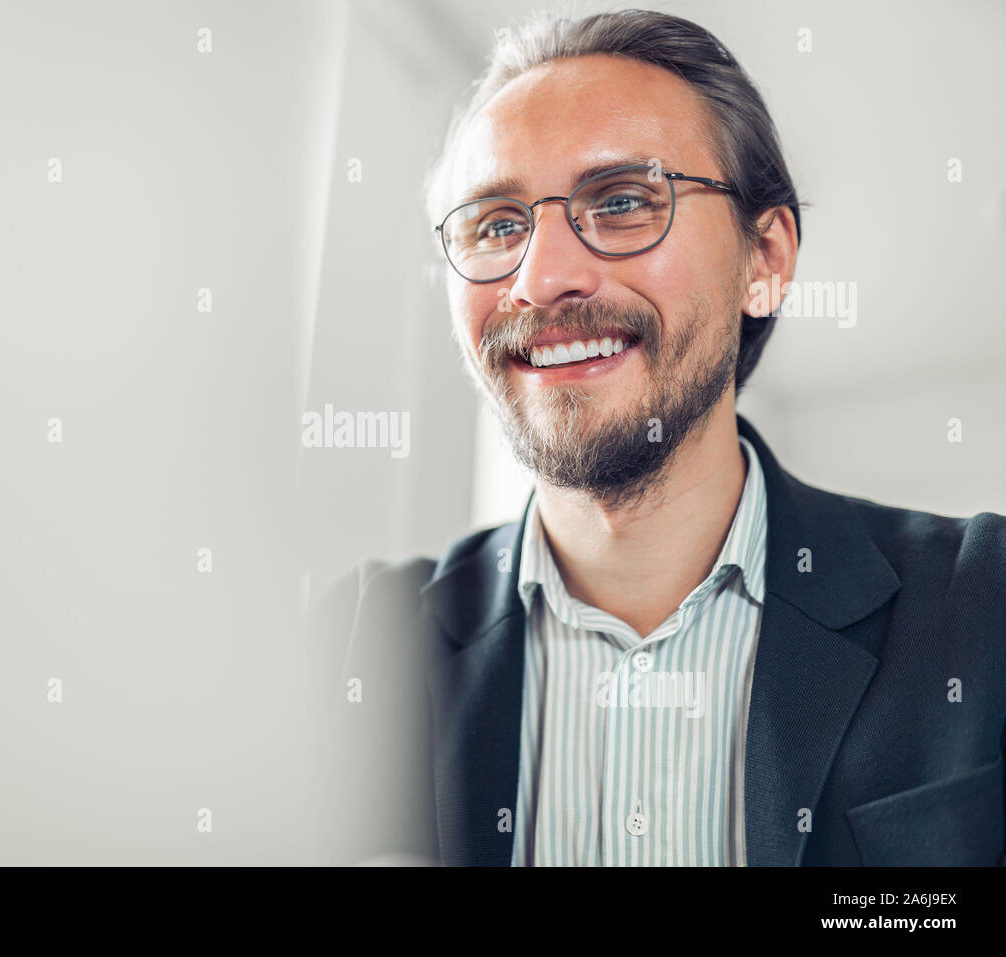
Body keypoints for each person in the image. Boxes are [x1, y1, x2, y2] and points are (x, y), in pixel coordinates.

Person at [306, 8, 1006, 866]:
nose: (544, 276)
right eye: (495, 225)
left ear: (765, 261)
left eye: (625, 201)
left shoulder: (983, 604)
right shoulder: (349, 645)